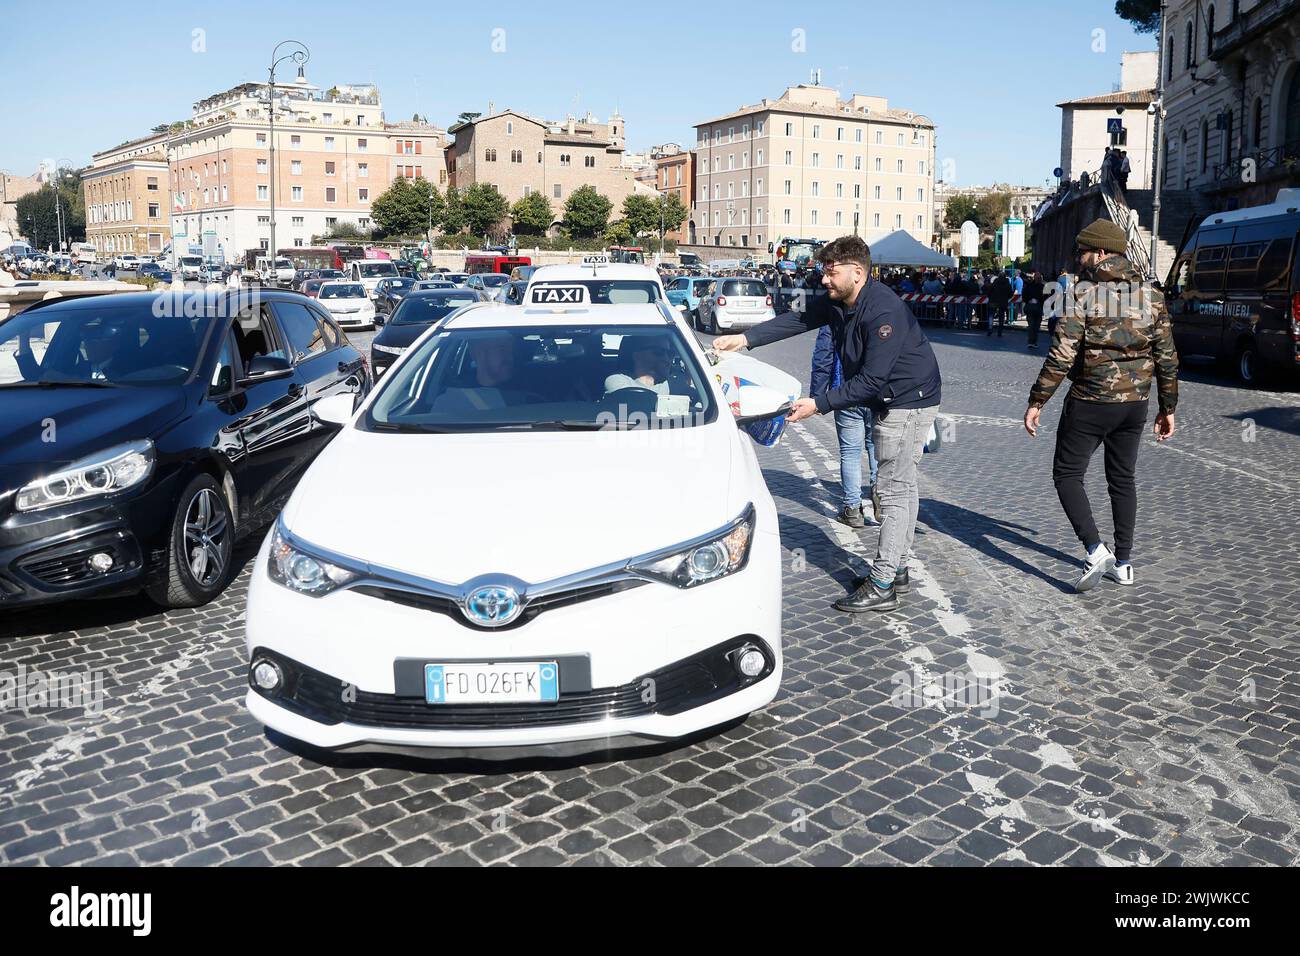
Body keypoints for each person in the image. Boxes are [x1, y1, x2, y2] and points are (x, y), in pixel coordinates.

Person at [713, 235, 941, 613]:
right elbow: (799, 318)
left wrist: (817, 405)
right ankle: (897, 567)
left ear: (858, 272)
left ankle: (883, 583)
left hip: (907, 401)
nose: (824, 281)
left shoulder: (882, 310)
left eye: (831, 274)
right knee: (899, 485)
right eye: (823, 273)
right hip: (887, 398)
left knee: (893, 489)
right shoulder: (840, 301)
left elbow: (872, 380)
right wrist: (745, 339)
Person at [1024, 218, 1179, 592]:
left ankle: (1095, 549)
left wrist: (1037, 400)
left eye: (1083, 252)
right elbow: (1167, 357)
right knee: (1123, 479)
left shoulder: (1081, 295)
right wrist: (1167, 407)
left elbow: (1062, 355)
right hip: (1135, 404)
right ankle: (1124, 563)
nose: (1079, 258)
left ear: (1102, 253)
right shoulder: (1152, 295)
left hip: (1091, 401)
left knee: (1067, 474)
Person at [811, 324, 878, 528]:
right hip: (876, 392)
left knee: (850, 453)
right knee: (877, 447)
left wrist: (817, 398)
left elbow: (823, 358)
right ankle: (881, 496)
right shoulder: (878, 312)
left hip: (846, 393)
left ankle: (852, 510)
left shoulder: (832, 319)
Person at [1023, 270, 1046, 350]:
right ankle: (1033, 341)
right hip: (1038, 308)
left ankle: (1031, 342)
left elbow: (1024, 296)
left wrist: (1029, 300)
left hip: (1031, 307)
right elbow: (1045, 298)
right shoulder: (1042, 287)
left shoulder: (1029, 286)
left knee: (1032, 326)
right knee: (1036, 326)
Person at [988, 270, 1012, 336]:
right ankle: (1000, 331)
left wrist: (990, 296)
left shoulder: (995, 282)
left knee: (991, 315)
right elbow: (1010, 294)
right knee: (1001, 316)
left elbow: (989, 291)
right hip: (1003, 301)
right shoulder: (1007, 284)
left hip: (993, 300)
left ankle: (990, 328)